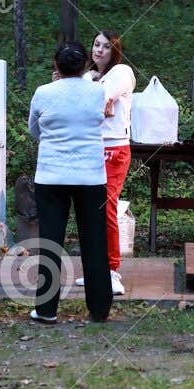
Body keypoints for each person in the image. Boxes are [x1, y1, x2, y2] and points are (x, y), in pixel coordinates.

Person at [26, 42, 112, 324]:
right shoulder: (97, 92)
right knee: (95, 240)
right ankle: (99, 309)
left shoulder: (43, 92)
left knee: (50, 240)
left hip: (52, 175)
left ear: (56, 65)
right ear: (85, 64)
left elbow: (34, 129)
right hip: (90, 176)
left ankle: (46, 309)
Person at [78, 30, 135, 296]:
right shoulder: (90, 76)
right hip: (91, 146)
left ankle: (112, 270)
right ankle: (95, 269)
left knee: (105, 206)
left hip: (114, 148)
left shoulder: (122, 72)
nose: (99, 50)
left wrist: (96, 95)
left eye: (106, 47)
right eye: (96, 44)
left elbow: (96, 100)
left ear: (115, 51)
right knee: (89, 208)